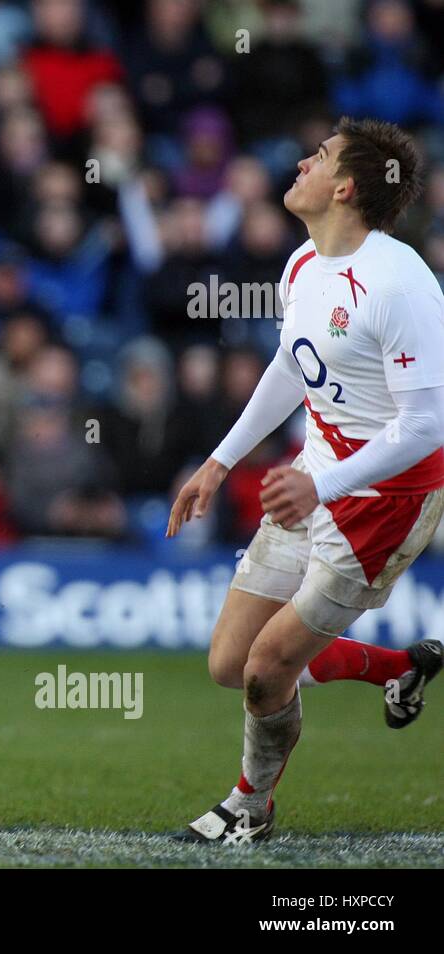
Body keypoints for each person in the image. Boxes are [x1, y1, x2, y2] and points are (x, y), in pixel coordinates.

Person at [168, 117, 444, 844]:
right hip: (314, 477)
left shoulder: (402, 283)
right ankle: (399, 667)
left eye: (317, 157)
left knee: (267, 668)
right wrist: (221, 460)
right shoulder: (301, 266)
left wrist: (323, 487)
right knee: (231, 662)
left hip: (385, 502)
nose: (301, 162)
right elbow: (293, 366)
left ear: (346, 187)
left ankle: (248, 807)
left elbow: (425, 426)